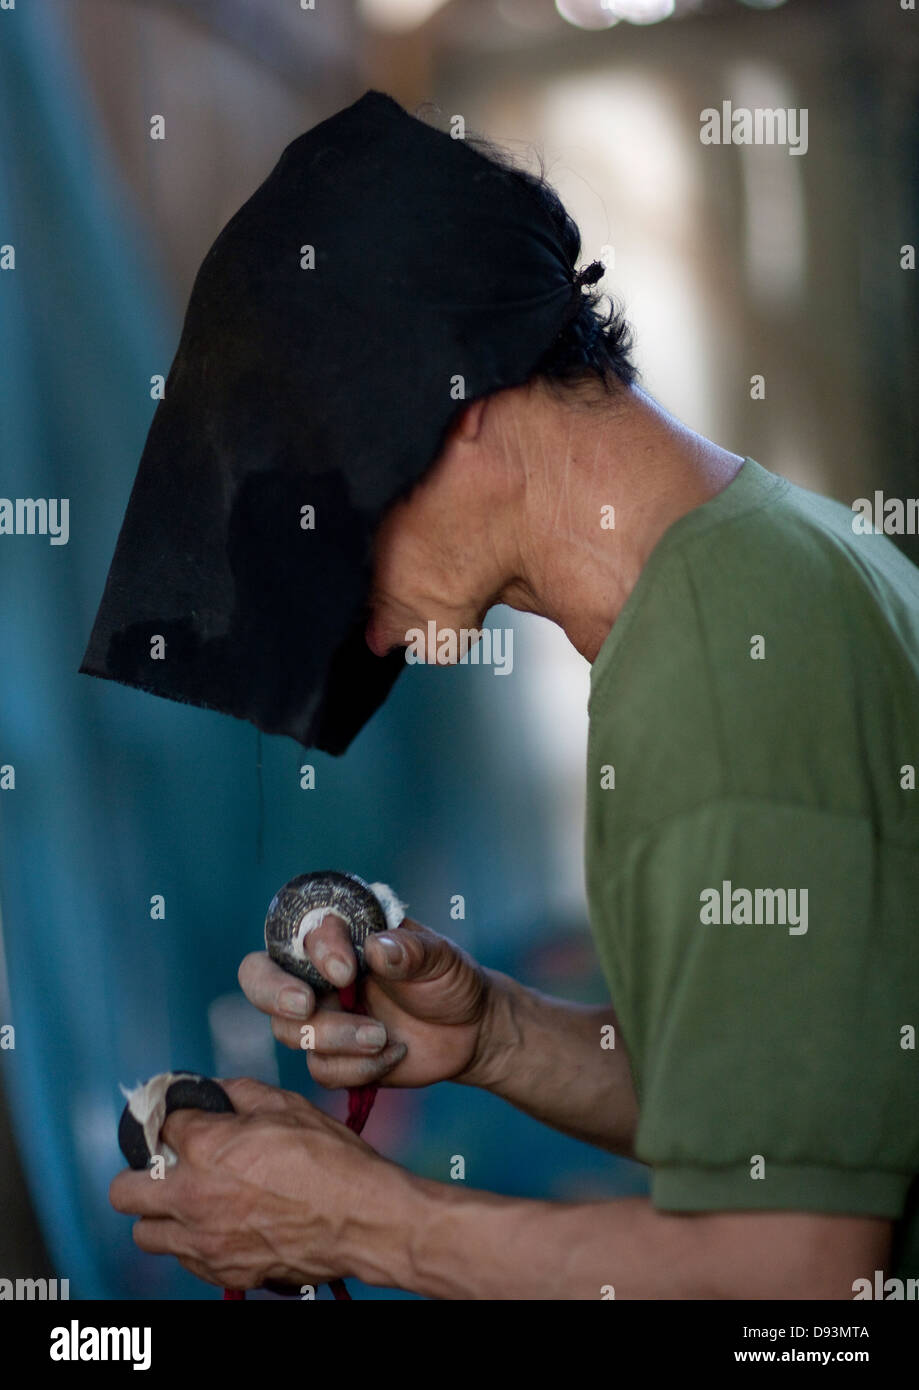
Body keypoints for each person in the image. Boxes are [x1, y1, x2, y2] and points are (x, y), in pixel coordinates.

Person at [108, 97, 919, 1300]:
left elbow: (792, 1274)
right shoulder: (771, 560)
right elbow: (800, 1095)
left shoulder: (714, 653)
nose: (325, 599)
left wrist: (354, 1223)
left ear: (461, 398)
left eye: (328, 509)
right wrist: (492, 1033)